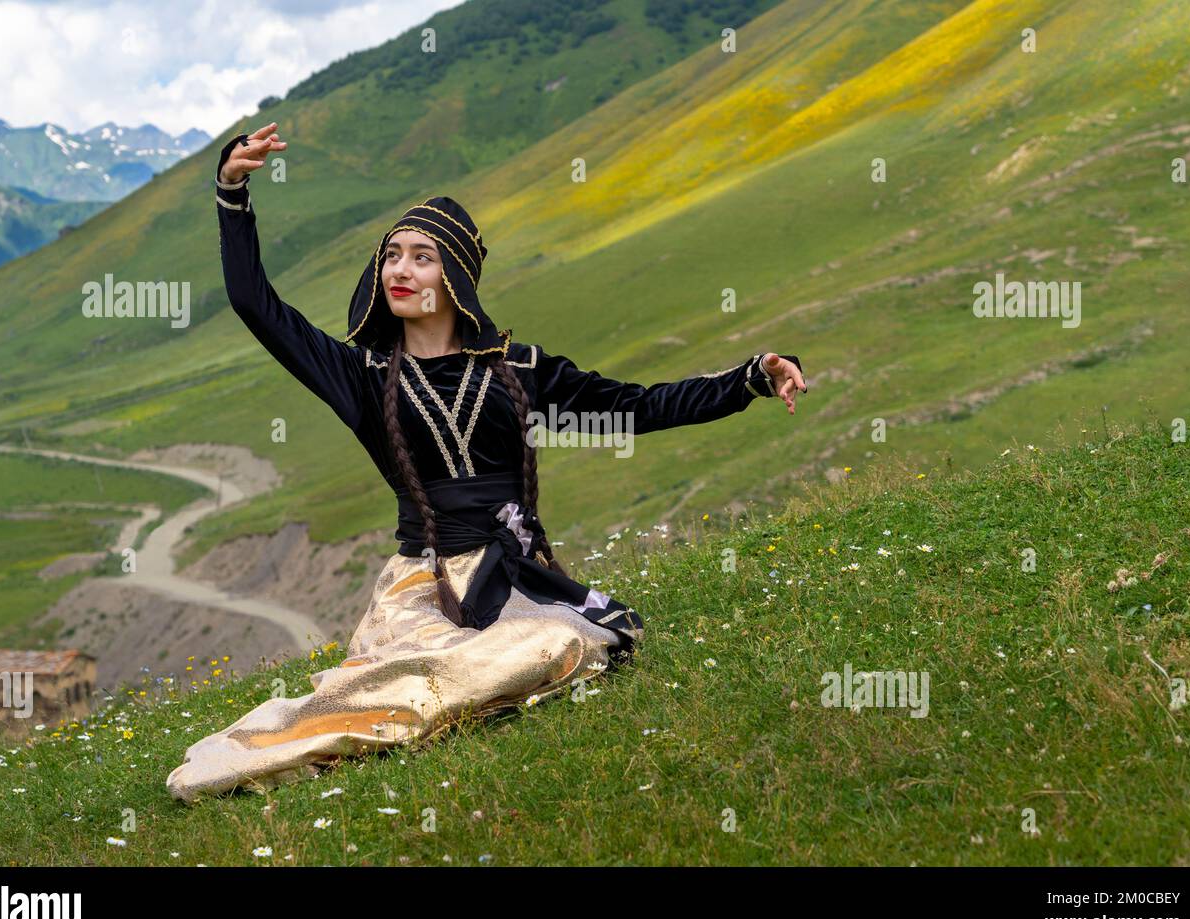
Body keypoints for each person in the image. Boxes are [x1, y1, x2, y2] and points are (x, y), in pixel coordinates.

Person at [165, 123, 807, 803]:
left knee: (565, 642)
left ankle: (431, 699)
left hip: (516, 578)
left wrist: (749, 378)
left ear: (456, 276)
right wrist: (231, 192)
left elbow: (639, 407)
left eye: (421, 258)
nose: (401, 272)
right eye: (391, 257)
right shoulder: (360, 375)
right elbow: (255, 306)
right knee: (441, 667)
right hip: (421, 589)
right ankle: (346, 719)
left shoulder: (522, 371)